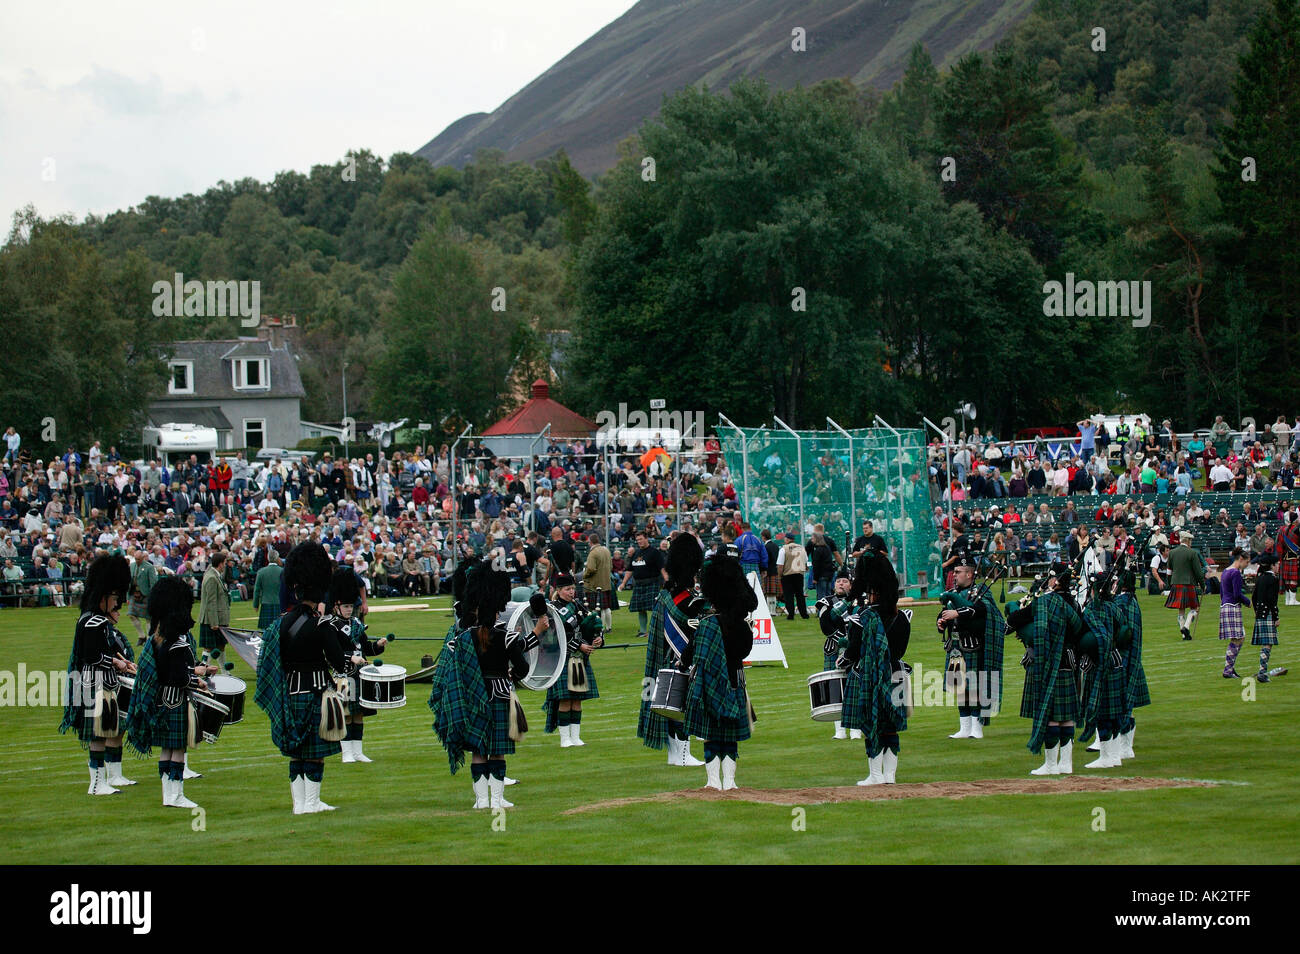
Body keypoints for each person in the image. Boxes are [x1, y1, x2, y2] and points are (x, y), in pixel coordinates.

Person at [429, 558, 539, 810]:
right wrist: (512, 676)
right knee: (497, 751)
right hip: (500, 694)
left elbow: (452, 667)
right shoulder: (507, 637)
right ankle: (498, 799)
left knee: (478, 749)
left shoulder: (464, 637)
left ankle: (480, 800)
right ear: (499, 608)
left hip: (472, 697)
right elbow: (522, 668)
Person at [254, 542, 349, 814]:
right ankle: (312, 802)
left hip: (289, 694)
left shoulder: (279, 624)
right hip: (316, 693)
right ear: (319, 592)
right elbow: (338, 661)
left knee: (296, 752)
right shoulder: (321, 624)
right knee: (314, 753)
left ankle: (299, 804)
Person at [125, 577, 218, 808]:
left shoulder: (157, 641)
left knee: (167, 749)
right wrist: (198, 682)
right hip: (175, 702)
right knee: (177, 748)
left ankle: (169, 794)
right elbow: (178, 677)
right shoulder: (175, 644)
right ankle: (176, 795)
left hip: (161, 701)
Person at [57, 553, 138, 795]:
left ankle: (104, 779)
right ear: (103, 596)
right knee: (97, 734)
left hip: (102, 683)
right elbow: (92, 656)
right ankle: (96, 783)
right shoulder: (93, 622)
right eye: (114, 597)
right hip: (94, 683)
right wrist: (116, 662)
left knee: (105, 731)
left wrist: (121, 661)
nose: (117, 602)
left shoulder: (95, 620)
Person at [1004, 561, 1086, 775]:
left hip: (1048, 660)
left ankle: (1051, 764)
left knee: (1050, 713)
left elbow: (1014, 619)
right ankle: (1066, 763)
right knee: (1066, 714)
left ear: (1055, 580)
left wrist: (1018, 606)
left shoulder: (1044, 603)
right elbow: (1079, 630)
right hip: (1069, 660)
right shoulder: (1074, 604)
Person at [839, 553, 909, 784]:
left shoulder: (864, 616)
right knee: (890, 726)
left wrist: (844, 657)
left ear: (872, 589)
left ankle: (875, 775)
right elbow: (900, 650)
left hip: (869, 675)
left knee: (872, 725)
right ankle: (889, 776)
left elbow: (855, 649)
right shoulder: (903, 618)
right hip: (895, 674)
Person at [687, 554, 756, 790]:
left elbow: (692, 653)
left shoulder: (706, 622)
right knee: (730, 734)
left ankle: (713, 782)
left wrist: (681, 662)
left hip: (709, 684)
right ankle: (730, 782)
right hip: (735, 679)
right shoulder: (739, 623)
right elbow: (745, 651)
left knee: (711, 733)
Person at [640, 534, 706, 766]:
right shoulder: (683, 598)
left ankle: (675, 754)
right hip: (677, 659)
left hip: (666, 659)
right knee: (680, 707)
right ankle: (682, 755)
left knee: (673, 706)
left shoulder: (667, 595)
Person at [321, 568, 389, 764]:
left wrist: (378, 645)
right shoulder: (330, 625)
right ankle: (346, 752)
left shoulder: (358, 623)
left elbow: (367, 648)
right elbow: (330, 653)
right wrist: (351, 658)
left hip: (361, 675)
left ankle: (358, 751)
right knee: (346, 714)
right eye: (346, 606)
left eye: (352, 606)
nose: (350, 609)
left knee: (359, 714)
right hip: (343, 675)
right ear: (336, 606)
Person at [936, 554, 1005, 739]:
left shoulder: (981, 591)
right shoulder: (955, 592)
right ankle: (964, 727)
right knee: (959, 687)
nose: (955, 575)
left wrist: (956, 612)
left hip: (973, 645)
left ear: (969, 574)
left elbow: (982, 610)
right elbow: (943, 613)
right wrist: (941, 622)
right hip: (956, 646)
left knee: (973, 688)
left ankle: (977, 727)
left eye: (958, 572)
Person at [1077, 571, 1131, 769]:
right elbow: (1124, 632)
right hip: (1116, 659)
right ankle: (1114, 755)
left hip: (1100, 662)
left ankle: (1107, 757)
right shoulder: (1115, 608)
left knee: (1102, 710)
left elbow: (1083, 635)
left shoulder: (1093, 610)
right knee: (1114, 710)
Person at [542, 573, 604, 747]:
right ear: (559, 590)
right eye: (568, 589)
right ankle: (565, 738)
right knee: (565, 699)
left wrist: (597, 638)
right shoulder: (553, 608)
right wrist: (579, 646)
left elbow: (590, 624)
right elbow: (556, 636)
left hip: (580, 660)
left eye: (573, 589)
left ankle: (575, 737)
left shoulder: (578, 605)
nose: (571, 592)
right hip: (563, 658)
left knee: (577, 699)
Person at [815, 570, 860, 741]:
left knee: (855, 686)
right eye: (838, 581)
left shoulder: (858, 601)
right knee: (835, 687)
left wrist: (852, 642)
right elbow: (825, 626)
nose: (841, 584)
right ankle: (839, 730)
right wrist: (842, 639)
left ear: (851, 584)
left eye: (845, 581)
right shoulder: (826, 602)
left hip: (855, 648)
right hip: (834, 648)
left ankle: (855, 729)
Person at [1110, 566, 1149, 759]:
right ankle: (1127, 748)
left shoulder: (1119, 603)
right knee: (1128, 704)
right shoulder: (1133, 602)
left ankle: (1118, 747)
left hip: (1120, 658)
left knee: (1117, 705)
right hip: (1133, 658)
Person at [620, 530, 664, 638]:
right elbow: (630, 570)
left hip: (652, 583)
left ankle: (655, 631)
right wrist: (623, 583)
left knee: (655, 608)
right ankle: (643, 631)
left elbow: (662, 568)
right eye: (637, 540)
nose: (639, 541)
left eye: (641, 539)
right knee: (641, 609)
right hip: (639, 584)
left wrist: (667, 581)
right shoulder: (636, 553)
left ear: (646, 538)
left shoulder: (654, 552)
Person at [1166, 532, 1208, 640]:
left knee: (1181, 610)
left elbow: (1169, 571)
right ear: (1188, 541)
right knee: (1194, 608)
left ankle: (1184, 635)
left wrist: (1170, 583)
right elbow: (1198, 572)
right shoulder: (1192, 553)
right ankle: (1186, 626)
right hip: (1188, 584)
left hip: (1176, 583)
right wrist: (1203, 585)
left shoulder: (1172, 553)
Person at [1218, 548, 1251, 678]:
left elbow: (1222, 592)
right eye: (1247, 562)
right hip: (1232, 606)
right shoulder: (1236, 572)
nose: (1247, 565)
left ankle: (1230, 668)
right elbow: (1237, 594)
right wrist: (1248, 602)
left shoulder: (1225, 571)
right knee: (1238, 638)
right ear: (1240, 559)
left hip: (1225, 605)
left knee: (1239, 637)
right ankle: (1228, 669)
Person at [198, 550, 232, 667]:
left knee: (221, 646)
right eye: (225, 562)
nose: (225, 565)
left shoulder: (215, 575)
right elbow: (210, 602)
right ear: (220, 563)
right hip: (211, 619)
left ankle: (225, 672)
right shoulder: (211, 577)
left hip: (219, 618)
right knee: (208, 647)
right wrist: (214, 622)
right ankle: (203, 670)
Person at [1251, 553, 1280, 683]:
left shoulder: (1261, 578)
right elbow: (1272, 600)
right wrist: (1276, 617)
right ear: (1272, 565)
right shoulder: (1273, 579)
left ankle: (1262, 671)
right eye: (1277, 564)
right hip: (1268, 613)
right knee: (1267, 644)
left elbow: (1254, 597)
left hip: (1260, 613)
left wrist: (1257, 611)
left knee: (1266, 643)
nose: (1279, 566)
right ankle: (1262, 673)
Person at [581, 532, 614, 632]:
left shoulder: (593, 553)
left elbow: (590, 568)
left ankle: (601, 628)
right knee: (606, 607)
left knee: (597, 608)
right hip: (606, 583)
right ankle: (609, 627)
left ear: (590, 542)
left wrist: (584, 575)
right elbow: (611, 567)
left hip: (595, 584)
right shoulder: (606, 550)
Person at [126, 547, 156, 644]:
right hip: (134, 594)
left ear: (143, 558)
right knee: (131, 614)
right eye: (135, 559)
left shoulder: (149, 567)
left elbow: (153, 583)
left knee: (148, 618)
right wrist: (127, 597)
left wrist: (153, 597)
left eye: (138, 559)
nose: (137, 561)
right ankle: (141, 635)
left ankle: (148, 638)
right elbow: (128, 582)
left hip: (146, 595)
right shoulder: (132, 566)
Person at [779, 533, 809, 619]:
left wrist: (780, 575)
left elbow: (780, 565)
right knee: (800, 595)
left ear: (787, 539)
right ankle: (804, 614)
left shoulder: (783, 549)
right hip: (799, 574)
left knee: (789, 595)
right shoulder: (801, 548)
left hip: (787, 575)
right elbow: (805, 561)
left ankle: (791, 614)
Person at [252, 548, 282, 629]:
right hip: (279, 604)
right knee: (278, 628)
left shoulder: (261, 572)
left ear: (268, 558)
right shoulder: (282, 571)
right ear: (277, 558)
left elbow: (257, 590)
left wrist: (256, 604)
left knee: (265, 630)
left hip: (265, 603)